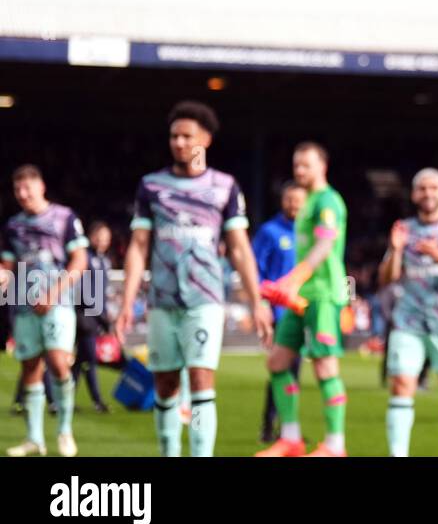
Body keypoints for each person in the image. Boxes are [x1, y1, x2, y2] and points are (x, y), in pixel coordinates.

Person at [117, 101, 273, 457]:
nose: (179, 142)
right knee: (166, 384)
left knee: (202, 382)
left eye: (187, 136)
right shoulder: (151, 186)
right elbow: (139, 246)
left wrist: (256, 301)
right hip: (162, 301)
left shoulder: (225, 187)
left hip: (205, 300)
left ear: (206, 139)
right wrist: (127, 301)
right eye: (174, 136)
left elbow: (239, 249)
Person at [256, 142, 350, 457]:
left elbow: (325, 245)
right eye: (296, 165)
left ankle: (335, 445)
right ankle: (291, 439)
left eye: (305, 165)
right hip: (302, 297)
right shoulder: (308, 202)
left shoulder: (328, 201)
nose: (299, 171)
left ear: (322, 166)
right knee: (278, 362)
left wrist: (293, 278)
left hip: (323, 295)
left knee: (324, 367)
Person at [379, 169, 438, 457]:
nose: (428, 193)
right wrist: (396, 250)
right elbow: (387, 278)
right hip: (407, 320)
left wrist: (435, 253)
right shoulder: (403, 228)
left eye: (434, 188)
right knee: (400, 384)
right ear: (413, 194)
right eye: (422, 188)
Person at [2, 165, 88, 457]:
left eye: (27, 188)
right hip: (25, 306)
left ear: (41, 187)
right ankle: (34, 438)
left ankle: (64, 430)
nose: (23, 194)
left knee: (58, 362)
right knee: (29, 368)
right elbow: (8, 268)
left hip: (58, 303)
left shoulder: (64, 217)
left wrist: (53, 293)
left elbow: (79, 261)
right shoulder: (13, 226)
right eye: (17, 190)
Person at [252, 182, 306, 443]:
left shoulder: (310, 234)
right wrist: (262, 304)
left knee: (294, 374)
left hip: (304, 312)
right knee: (282, 369)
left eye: (298, 200)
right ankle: (269, 425)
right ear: (282, 201)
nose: (294, 205)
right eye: (289, 200)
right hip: (280, 313)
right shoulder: (269, 232)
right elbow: (255, 271)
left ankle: (287, 429)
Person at [72, 220, 114, 414]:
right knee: (88, 360)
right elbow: (84, 292)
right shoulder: (86, 258)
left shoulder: (104, 260)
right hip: (84, 315)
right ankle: (97, 401)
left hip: (95, 316)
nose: (102, 241)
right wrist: (103, 318)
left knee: (80, 362)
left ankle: (62, 400)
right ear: (91, 237)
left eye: (106, 238)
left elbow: (101, 293)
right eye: (99, 237)